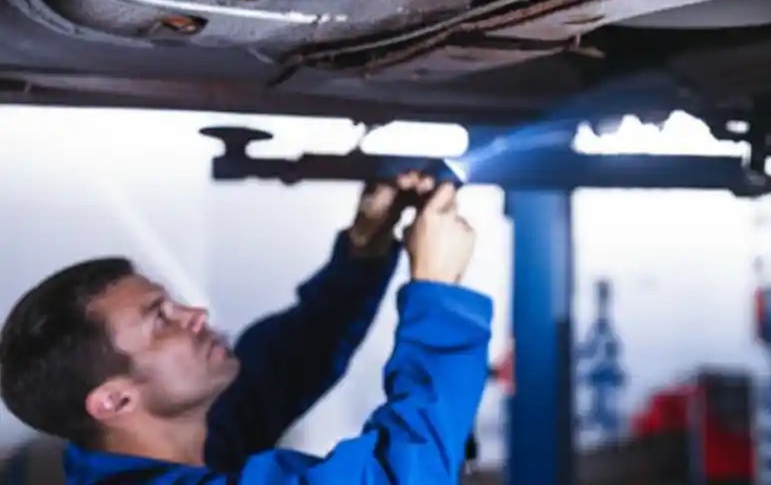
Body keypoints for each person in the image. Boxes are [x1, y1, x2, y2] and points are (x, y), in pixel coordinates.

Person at [0, 172, 491, 484]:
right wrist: (437, 294)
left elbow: (285, 365)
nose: (195, 314)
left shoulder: (170, 447)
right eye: (160, 319)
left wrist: (367, 247)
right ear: (116, 401)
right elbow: (398, 477)